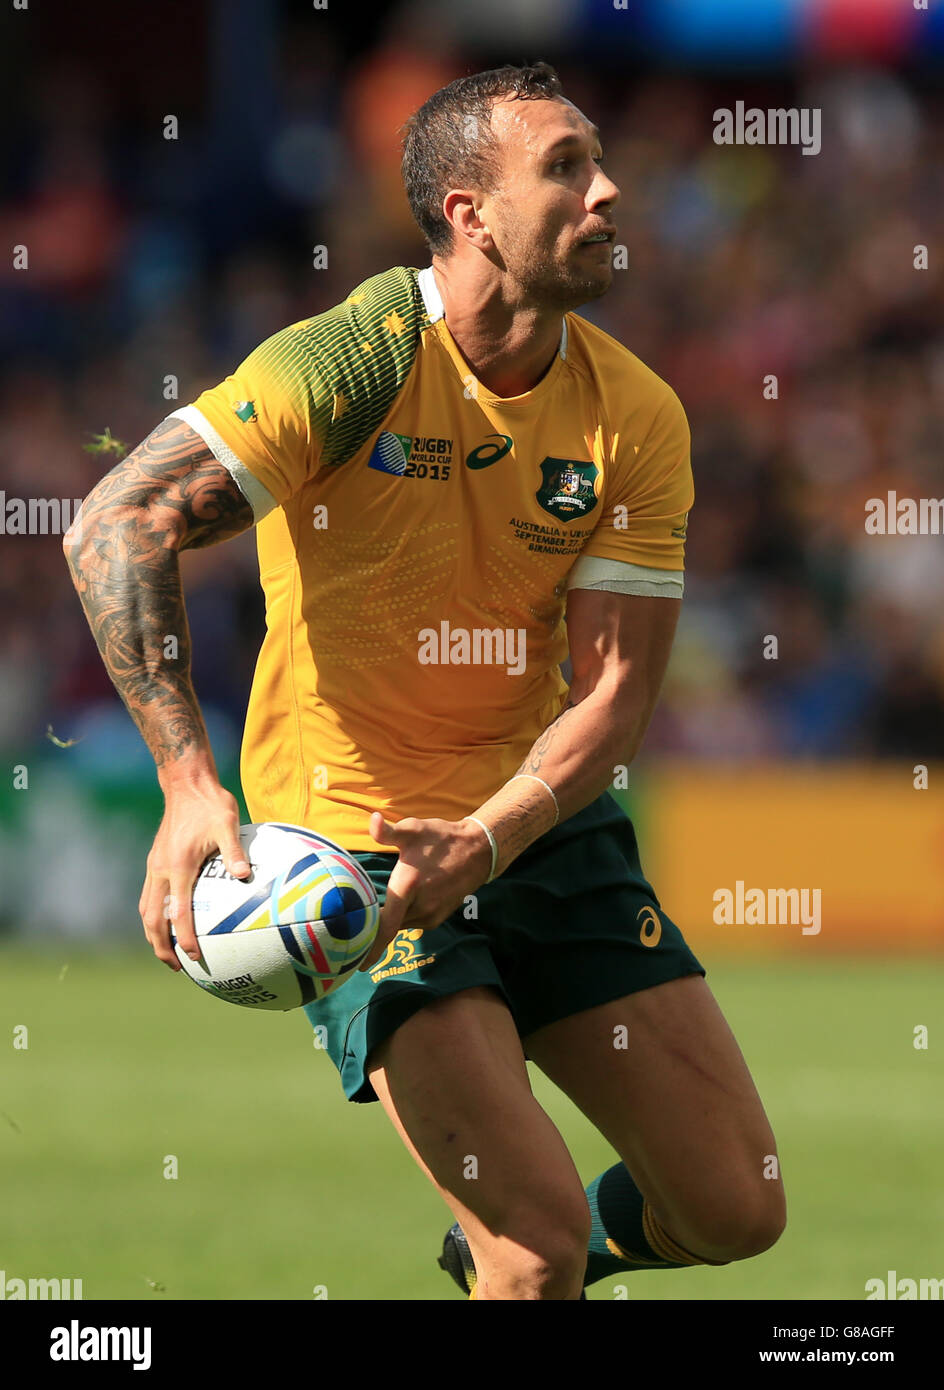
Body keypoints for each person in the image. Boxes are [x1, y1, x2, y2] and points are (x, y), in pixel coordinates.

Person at [64, 61, 785, 1301]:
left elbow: (612, 697)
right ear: (467, 211)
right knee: (533, 1255)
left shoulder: (636, 415)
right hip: (353, 859)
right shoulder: (351, 361)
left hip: (530, 825)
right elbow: (111, 525)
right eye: (565, 167)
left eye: (600, 161)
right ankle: (504, 1258)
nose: (610, 190)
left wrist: (493, 834)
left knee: (733, 1206)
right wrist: (189, 783)